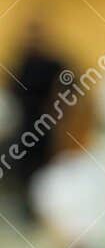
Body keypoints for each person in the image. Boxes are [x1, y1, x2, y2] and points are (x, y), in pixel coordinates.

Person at [3, 17, 75, 220]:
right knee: (21, 163)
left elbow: (72, 83)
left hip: (44, 121)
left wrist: (60, 107)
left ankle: (37, 209)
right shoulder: (22, 58)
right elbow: (11, 89)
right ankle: (24, 206)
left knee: (41, 165)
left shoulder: (53, 61)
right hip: (23, 120)